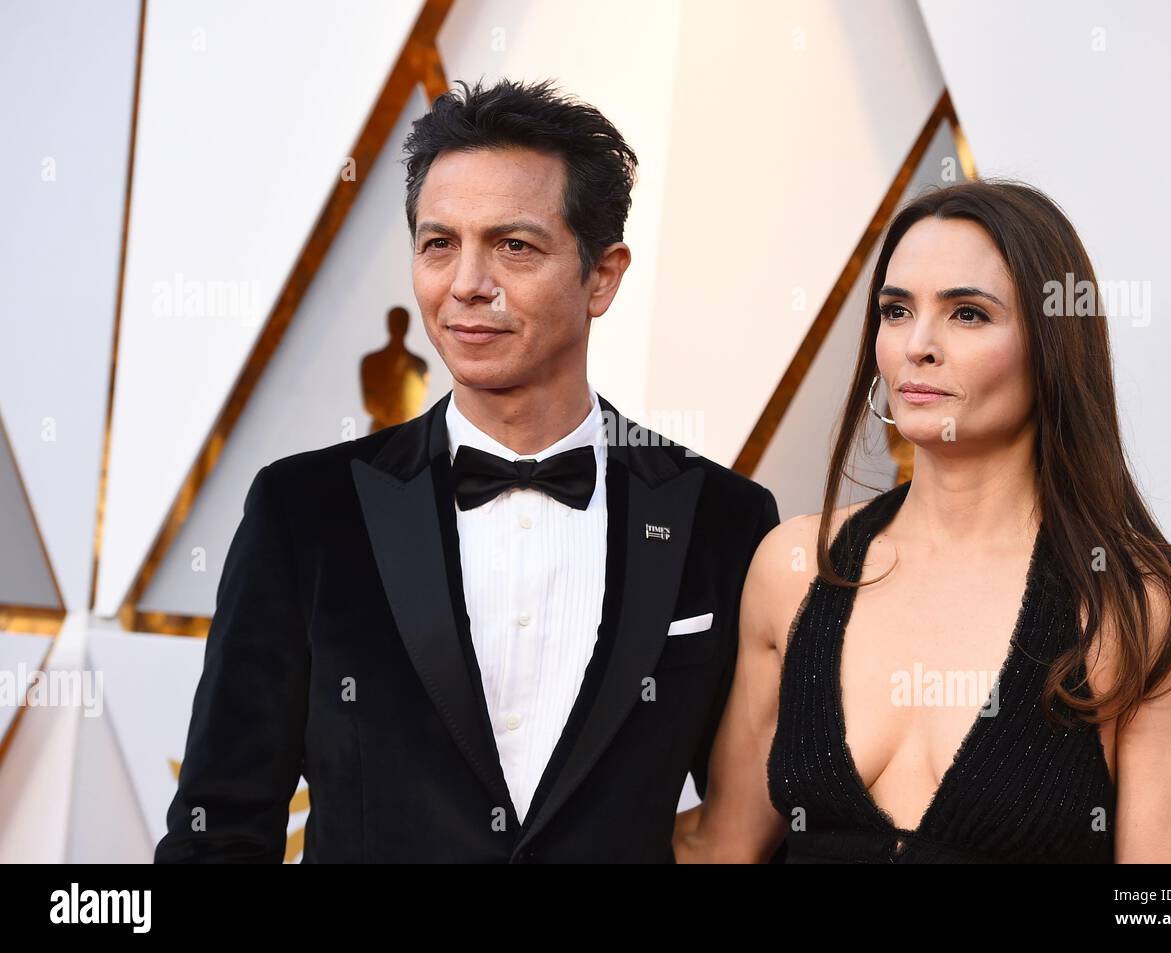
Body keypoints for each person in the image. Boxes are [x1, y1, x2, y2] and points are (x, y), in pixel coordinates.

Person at [155, 78, 778, 863]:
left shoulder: (723, 519)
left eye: (513, 246)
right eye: (438, 243)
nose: (466, 285)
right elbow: (220, 825)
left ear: (603, 276)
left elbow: (752, 828)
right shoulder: (304, 510)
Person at [674, 180, 1171, 863]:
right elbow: (720, 847)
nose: (917, 346)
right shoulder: (794, 566)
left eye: (967, 314)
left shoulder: (1140, 602)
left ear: (1053, 344)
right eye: (896, 311)